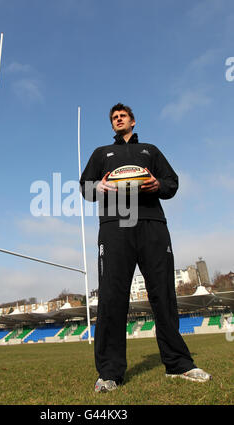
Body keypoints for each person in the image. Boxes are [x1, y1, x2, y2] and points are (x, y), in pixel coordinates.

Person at [80, 103, 212, 392]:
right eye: (114, 118)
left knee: (163, 293)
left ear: (133, 121)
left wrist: (156, 185)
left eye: (122, 116)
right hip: (115, 226)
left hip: (152, 224)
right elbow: (85, 187)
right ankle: (110, 372)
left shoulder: (149, 150)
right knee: (113, 296)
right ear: (111, 124)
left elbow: (172, 183)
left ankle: (178, 364)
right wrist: (98, 188)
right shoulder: (101, 153)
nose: (118, 120)